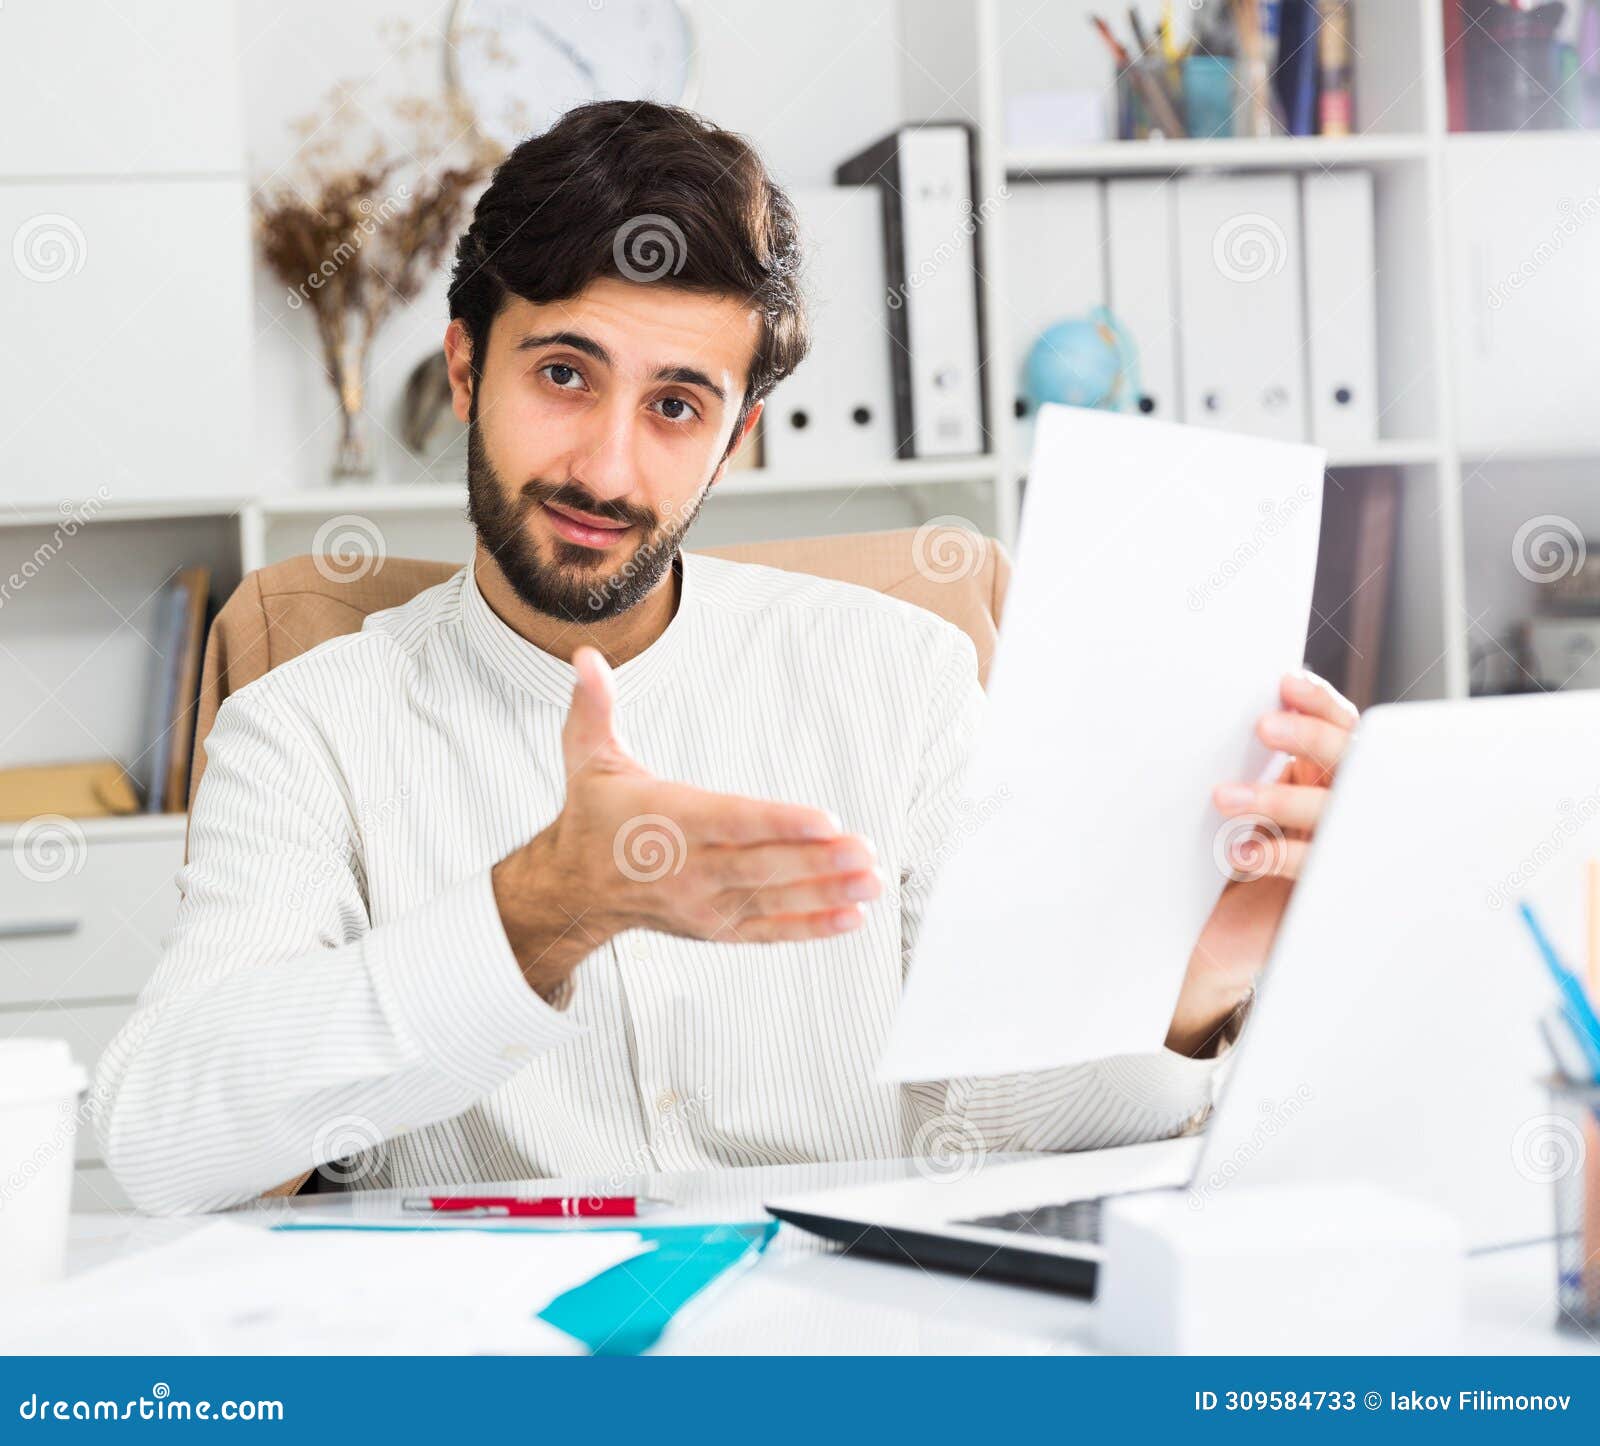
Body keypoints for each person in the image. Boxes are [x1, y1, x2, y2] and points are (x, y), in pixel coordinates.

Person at [93, 101, 1356, 1214]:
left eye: (676, 406)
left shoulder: (904, 676)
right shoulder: (309, 720)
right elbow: (166, 1142)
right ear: (468, 366)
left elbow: (1010, 1116)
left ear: (738, 437)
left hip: (846, 1339)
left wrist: (1196, 982)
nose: (606, 468)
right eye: (564, 373)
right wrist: (536, 912)